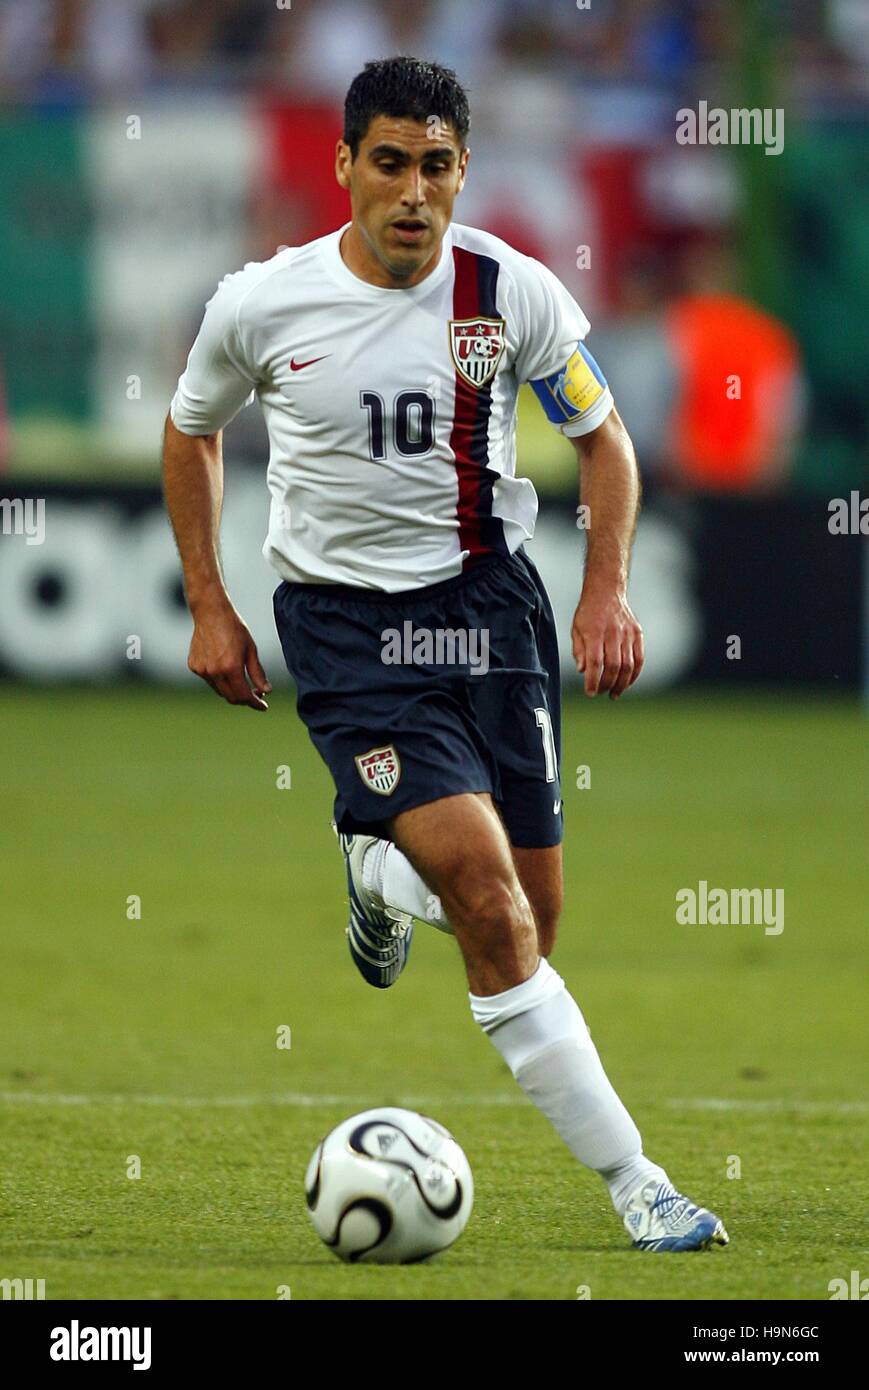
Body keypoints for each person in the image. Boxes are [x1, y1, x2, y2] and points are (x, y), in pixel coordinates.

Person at [162, 56, 727, 1254]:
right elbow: (191, 429)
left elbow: (604, 440)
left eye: (435, 166)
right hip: (347, 628)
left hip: (489, 613)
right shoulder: (260, 304)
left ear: (461, 170)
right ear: (344, 165)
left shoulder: (507, 291)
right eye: (388, 163)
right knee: (489, 908)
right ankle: (639, 1184)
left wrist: (604, 588)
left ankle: (375, 879)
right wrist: (210, 600)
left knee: (530, 921)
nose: (412, 191)